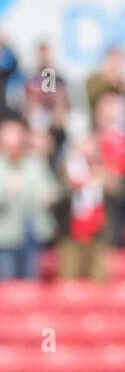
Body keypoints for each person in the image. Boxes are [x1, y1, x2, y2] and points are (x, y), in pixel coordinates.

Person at [0, 114, 58, 280]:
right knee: (6, 286)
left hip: (33, 235)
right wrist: (6, 193)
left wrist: (49, 196)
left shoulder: (35, 163)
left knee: (31, 284)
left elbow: (50, 191)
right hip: (5, 238)